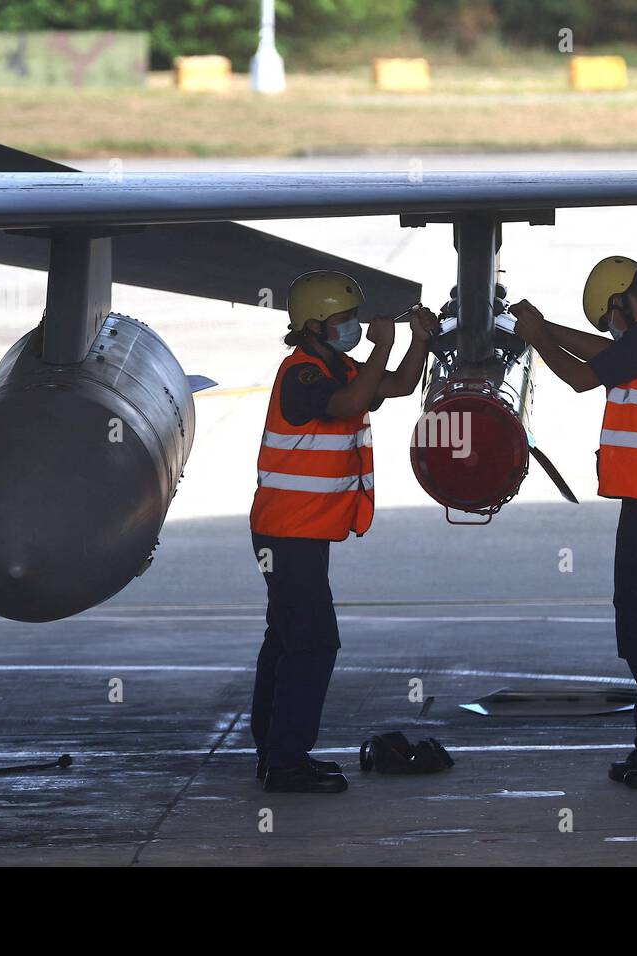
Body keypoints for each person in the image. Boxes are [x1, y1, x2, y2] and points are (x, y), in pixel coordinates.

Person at [508, 256, 637, 789]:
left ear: (623, 300)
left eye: (610, 319)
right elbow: (608, 355)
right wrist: (545, 327)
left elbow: (584, 376)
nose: (612, 331)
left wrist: (537, 339)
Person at [249, 270, 436, 793]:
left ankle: (273, 752)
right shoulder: (303, 376)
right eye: (343, 319)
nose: (353, 326)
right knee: (313, 644)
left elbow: (396, 385)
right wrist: (382, 346)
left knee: (286, 640)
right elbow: (351, 403)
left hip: (299, 533)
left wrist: (418, 341)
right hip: (288, 535)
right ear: (312, 326)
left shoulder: (337, 366)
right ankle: (286, 762)